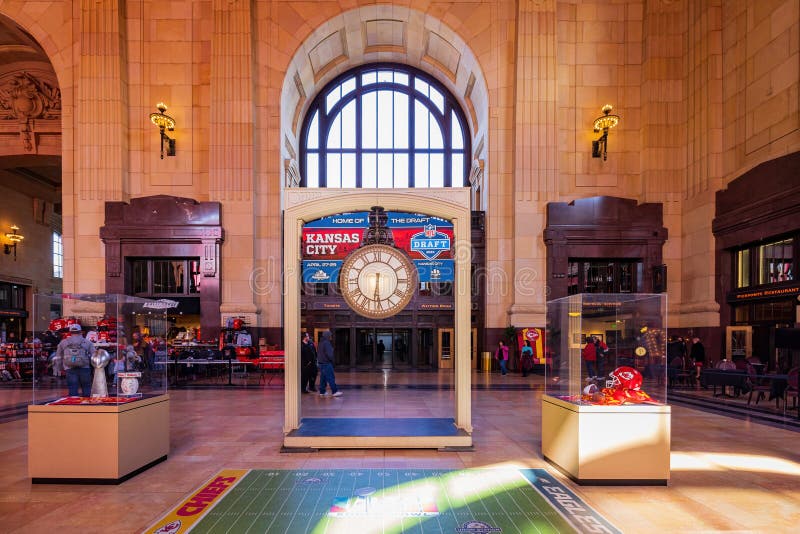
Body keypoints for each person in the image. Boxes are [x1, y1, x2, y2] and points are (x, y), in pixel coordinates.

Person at [56, 324, 94, 397]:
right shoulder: (87, 342)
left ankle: (73, 404)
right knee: (86, 386)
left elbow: (58, 356)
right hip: (84, 367)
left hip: (69, 367)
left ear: (70, 332)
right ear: (80, 332)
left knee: (72, 386)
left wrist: (60, 368)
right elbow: (94, 355)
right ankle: (87, 403)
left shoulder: (63, 342)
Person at [317, 330, 342, 397]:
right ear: (327, 336)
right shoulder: (326, 343)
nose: (331, 337)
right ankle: (334, 391)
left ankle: (322, 392)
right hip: (326, 363)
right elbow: (330, 354)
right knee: (331, 377)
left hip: (321, 363)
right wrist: (332, 360)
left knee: (323, 378)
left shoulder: (321, 343)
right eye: (330, 335)